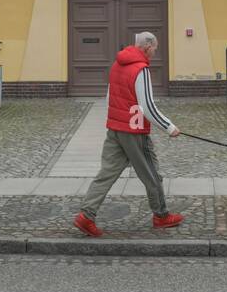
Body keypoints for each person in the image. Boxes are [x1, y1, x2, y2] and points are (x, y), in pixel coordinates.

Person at [73, 31, 183, 236]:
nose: (155, 52)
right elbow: (147, 107)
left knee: (106, 174)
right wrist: (169, 127)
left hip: (115, 129)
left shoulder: (117, 65)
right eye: (154, 49)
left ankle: (86, 216)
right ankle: (161, 216)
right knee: (152, 175)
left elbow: (110, 97)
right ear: (147, 47)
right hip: (134, 132)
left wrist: (115, 121)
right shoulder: (141, 70)